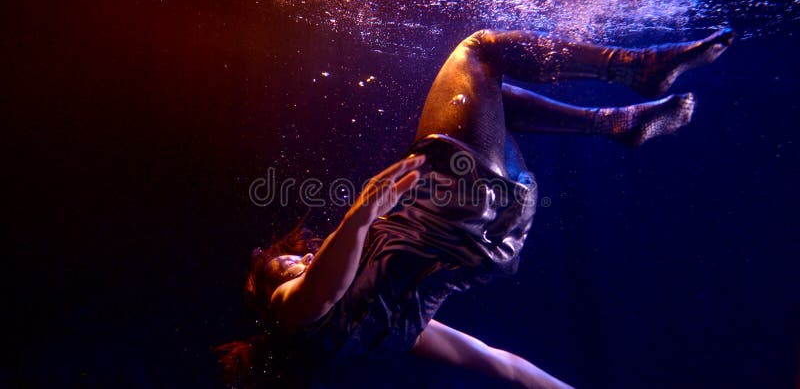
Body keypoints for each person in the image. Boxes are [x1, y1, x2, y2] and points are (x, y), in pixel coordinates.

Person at [218, 28, 734, 388]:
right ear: (270, 303)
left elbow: (499, 363)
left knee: (494, 101)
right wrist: (369, 206)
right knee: (480, 50)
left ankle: (618, 122)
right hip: (451, 204)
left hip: (501, 232)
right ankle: (635, 70)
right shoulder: (289, 313)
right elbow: (325, 281)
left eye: (299, 261)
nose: (302, 262)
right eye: (288, 267)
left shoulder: (384, 340)